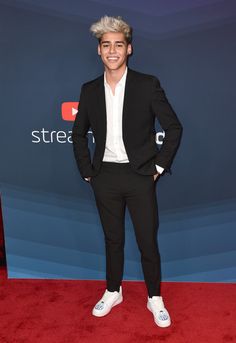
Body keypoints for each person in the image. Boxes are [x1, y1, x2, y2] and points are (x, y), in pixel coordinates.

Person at [72, 15, 182, 328]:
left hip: (140, 176)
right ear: (99, 51)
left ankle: (154, 297)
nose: (112, 51)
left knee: (147, 240)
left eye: (118, 45)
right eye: (106, 45)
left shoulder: (147, 85)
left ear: (129, 49)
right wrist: (88, 172)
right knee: (113, 239)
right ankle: (113, 290)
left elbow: (173, 127)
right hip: (104, 176)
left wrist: (158, 167)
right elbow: (78, 133)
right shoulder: (90, 90)